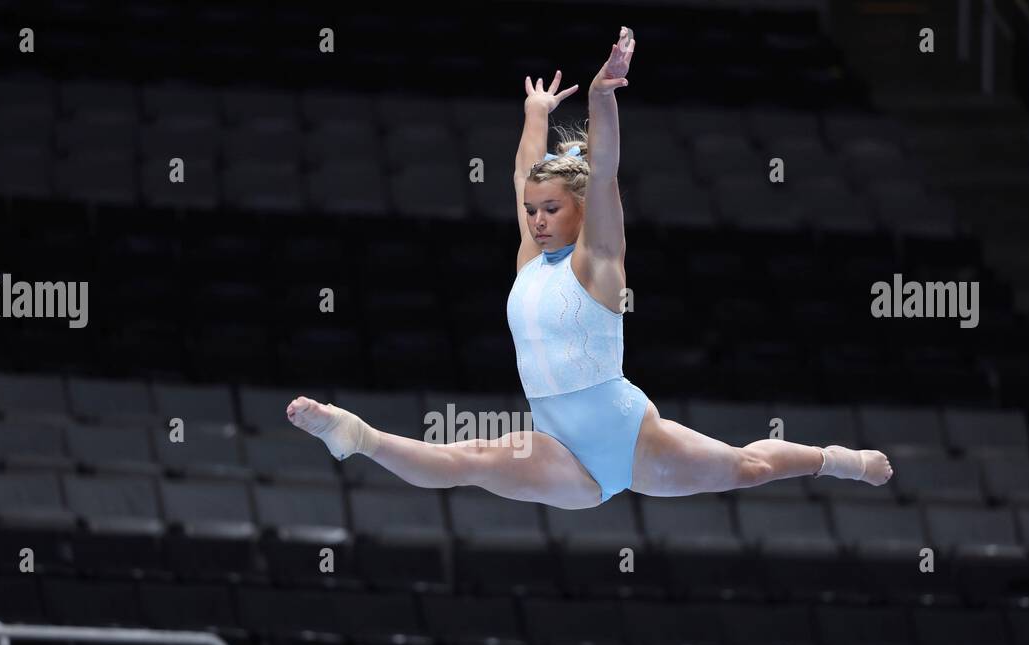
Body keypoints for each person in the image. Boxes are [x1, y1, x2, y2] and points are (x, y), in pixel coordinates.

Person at [289, 25, 891, 510]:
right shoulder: (530, 261)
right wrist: (535, 112)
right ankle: (357, 437)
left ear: (580, 211)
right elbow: (523, 175)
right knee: (465, 462)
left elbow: (602, 173)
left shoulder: (599, 264)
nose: (537, 220)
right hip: (561, 452)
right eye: (531, 211)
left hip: (628, 437)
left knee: (748, 467)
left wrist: (602, 98)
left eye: (551, 209)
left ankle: (836, 460)